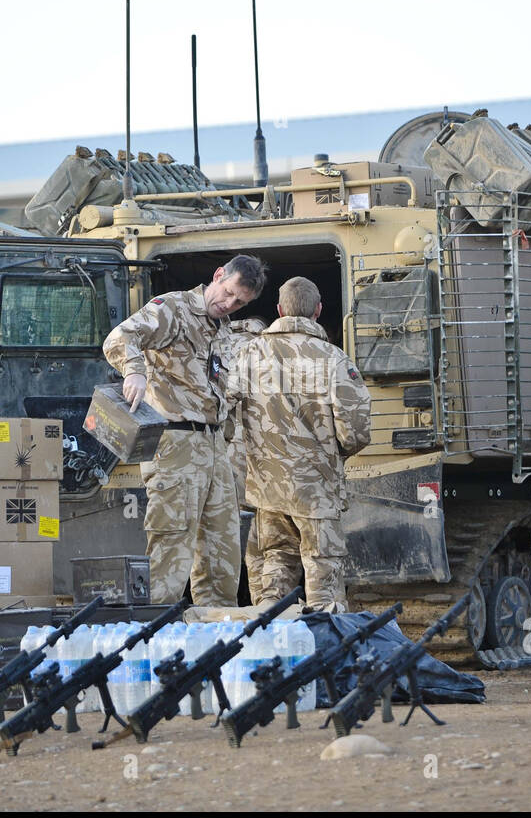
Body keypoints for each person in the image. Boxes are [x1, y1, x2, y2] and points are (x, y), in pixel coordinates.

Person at [102, 254, 268, 606]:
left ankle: (217, 632)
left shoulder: (222, 330)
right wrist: (134, 371)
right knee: (172, 544)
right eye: (228, 293)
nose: (229, 304)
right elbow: (120, 336)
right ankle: (158, 628)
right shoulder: (173, 309)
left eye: (240, 302)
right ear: (218, 274)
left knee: (221, 547)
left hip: (212, 445)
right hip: (175, 443)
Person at [227, 276, 372, 613]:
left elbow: (224, 414)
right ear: (318, 311)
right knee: (324, 583)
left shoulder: (246, 356)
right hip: (317, 491)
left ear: (279, 310)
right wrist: (334, 454)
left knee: (274, 574)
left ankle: (271, 645)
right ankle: (326, 654)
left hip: (267, 489)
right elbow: (356, 431)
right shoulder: (334, 359)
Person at [223, 316, 269, 600]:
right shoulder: (268, 349)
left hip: (225, 457)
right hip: (265, 460)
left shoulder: (215, 344)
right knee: (264, 544)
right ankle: (264, 606)